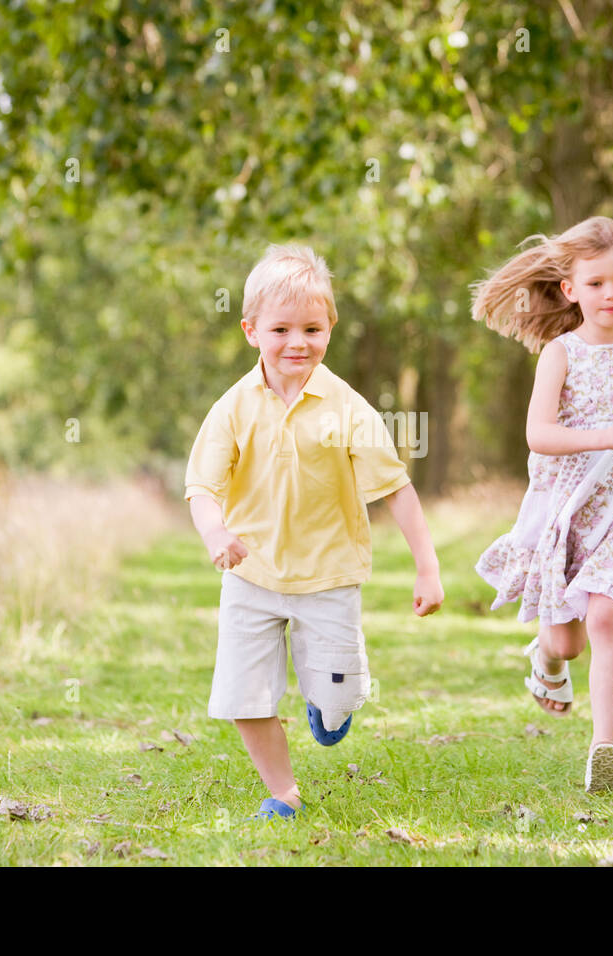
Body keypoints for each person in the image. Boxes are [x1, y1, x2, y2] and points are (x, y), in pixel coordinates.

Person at [185, 243, 445, 821]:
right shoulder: (231, 408)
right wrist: (215, 535)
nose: (296, 342)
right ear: (252, 330)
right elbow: (201, 488)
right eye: (281, 329)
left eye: (312, 327)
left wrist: (427, 567)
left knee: (336, 699)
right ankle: (283, 793)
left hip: (329, 577)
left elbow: (395, 488)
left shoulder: (348, 408)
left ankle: (331, 708)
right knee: (242, 694)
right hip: (251, 574)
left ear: (330, 328)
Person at [471, 211, 613, 793]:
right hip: (566, 508)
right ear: (571, 290)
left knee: (606, 614)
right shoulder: (561, 354)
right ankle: (545, 661)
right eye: (596, 284)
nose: (610, 294)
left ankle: (606, 748)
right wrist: (604, 435)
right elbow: (538, 435)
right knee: (567, 642)